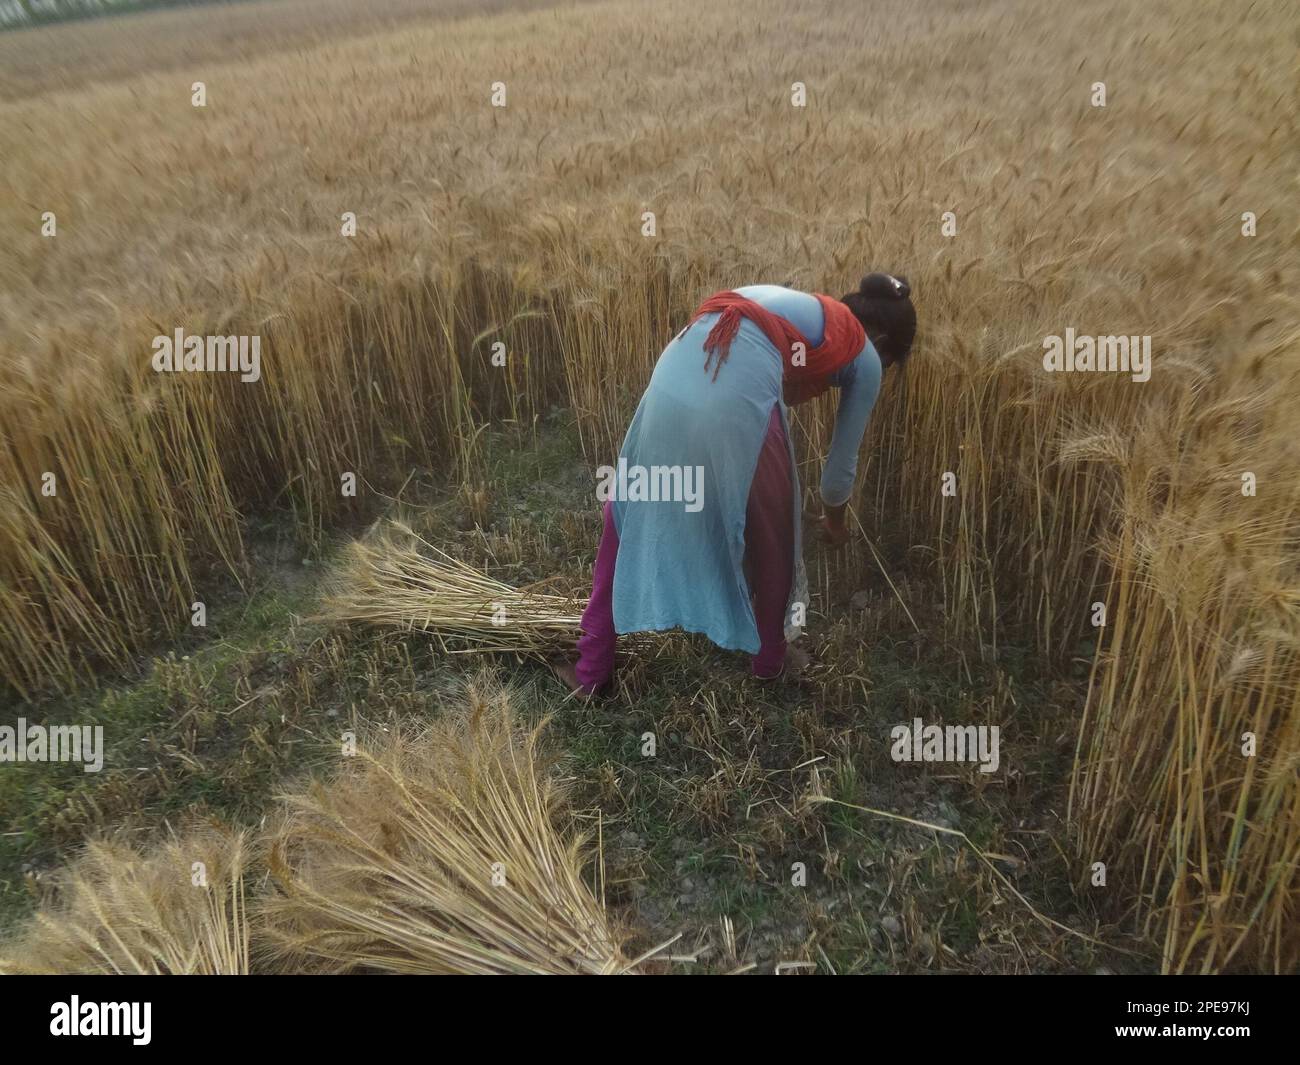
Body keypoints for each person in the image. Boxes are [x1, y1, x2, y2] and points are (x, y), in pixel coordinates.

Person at [553, 273, 917, 696]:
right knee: (775, 533)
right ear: (885, 343)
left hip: (677, 366)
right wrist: (836, 524)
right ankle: (769, 663)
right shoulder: (865, 355)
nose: (884, 368)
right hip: (733, 388)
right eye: (891, 361)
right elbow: (837, 476)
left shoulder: (806, 310)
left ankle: (590, 671)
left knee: (628, 508)